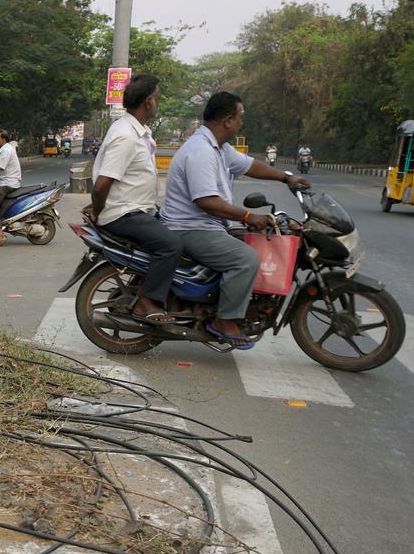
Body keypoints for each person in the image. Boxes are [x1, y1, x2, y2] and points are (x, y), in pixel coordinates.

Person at [160, 91, 309, 350]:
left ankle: (225, 302)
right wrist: (249, 216)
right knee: (245, 259)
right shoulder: (200, 151)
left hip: (207, 225)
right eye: (240, 117)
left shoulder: (218, 148)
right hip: (189, 228)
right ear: (228, 120)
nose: (242, 123)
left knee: (253, 242)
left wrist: (286, 178)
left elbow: (250, 165)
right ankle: (224, 320)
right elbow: (207, 202)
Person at [82, 73, 182, 325]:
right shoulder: (125, 135)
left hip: (136, 209)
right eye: (157, 99)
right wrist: (97, 210)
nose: (157, 103)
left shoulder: (138, 132)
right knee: (171, 246)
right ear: (148, 101)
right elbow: (102, 184)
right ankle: (147, 301)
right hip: (123, 213)